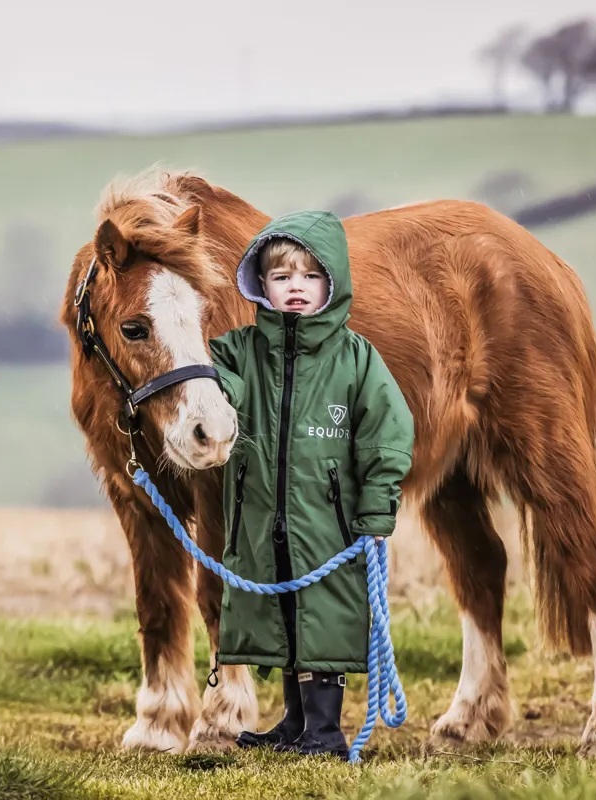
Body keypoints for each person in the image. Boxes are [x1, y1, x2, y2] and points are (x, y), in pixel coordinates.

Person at [209, 210, 414, 760]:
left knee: (321, 621)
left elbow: (387, 438)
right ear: (262, 287)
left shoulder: (356, 360)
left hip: (330, 527)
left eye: (308, 276)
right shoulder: (241, 353)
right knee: (285, 621)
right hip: (264, 520)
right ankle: (295, 726)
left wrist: (376, 511)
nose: (294, 287)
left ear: (332, 284)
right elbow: (206, 379)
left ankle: (324, 733)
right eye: (280, 277)